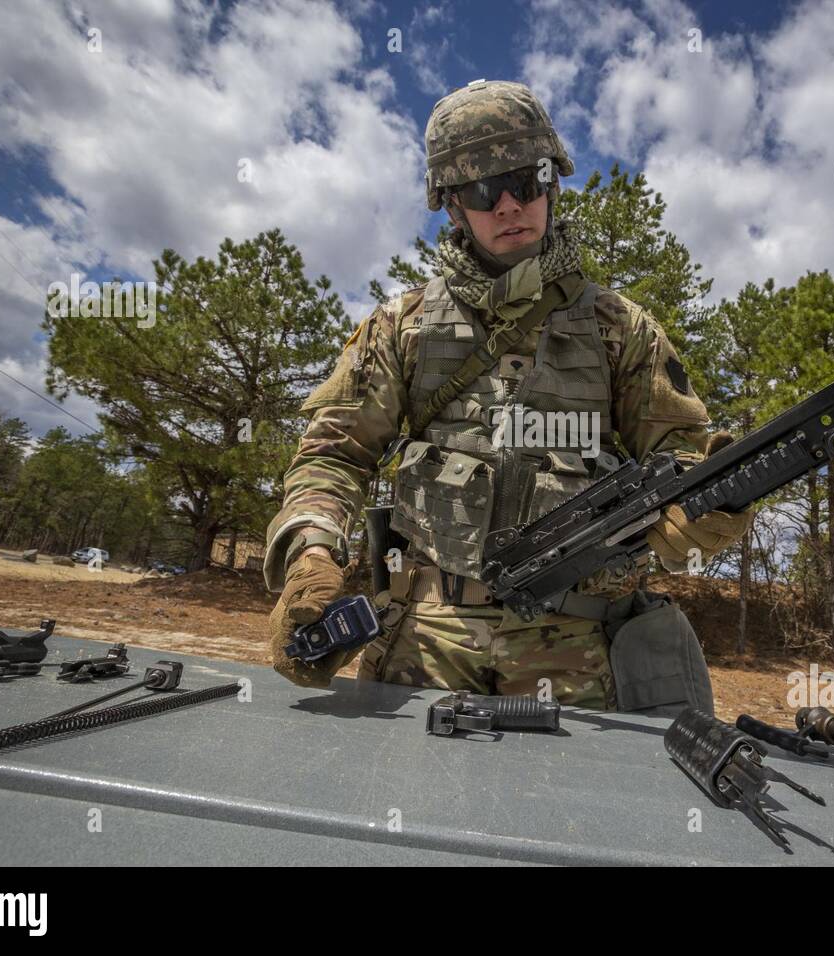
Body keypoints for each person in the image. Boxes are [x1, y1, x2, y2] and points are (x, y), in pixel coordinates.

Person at [264, 79, 749, 711]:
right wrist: (312, 551)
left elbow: (681, 457)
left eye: (528, 181)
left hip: (580, 645)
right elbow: (334, 453)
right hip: (426, 640)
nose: (510, 205)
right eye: (484, 190)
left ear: (553, 183)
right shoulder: (402, 325)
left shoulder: (619, 328)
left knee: (576, 811)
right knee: (402, 804)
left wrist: (702, 513)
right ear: (452, 204)